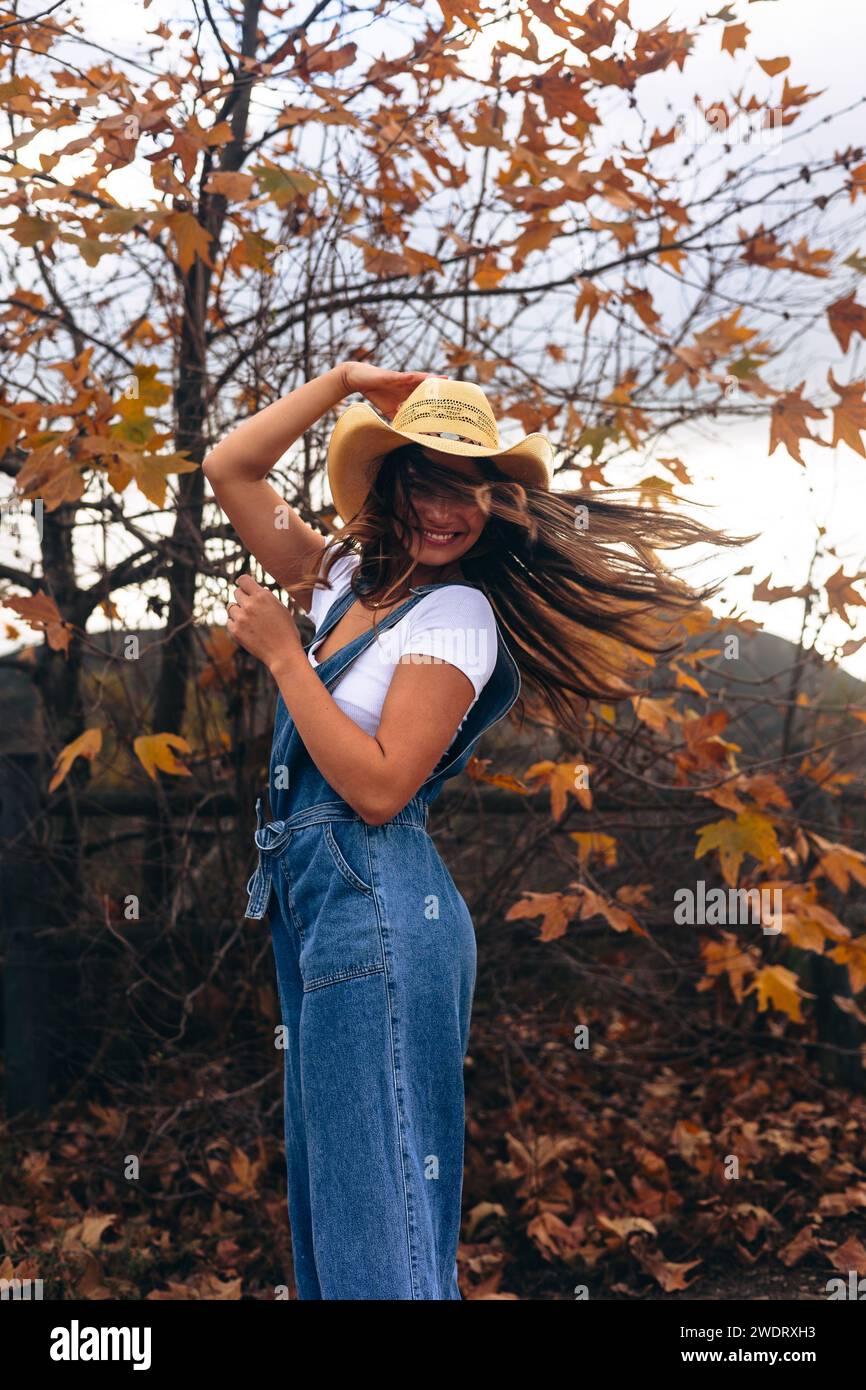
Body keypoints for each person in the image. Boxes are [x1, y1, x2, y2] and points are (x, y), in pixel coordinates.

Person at [203, 363, 742, 1300]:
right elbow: (229, 468)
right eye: (431, 481)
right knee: (340, 1200)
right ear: (392, 483)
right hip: (318, 910)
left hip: (379, 909)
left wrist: (286, 657)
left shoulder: (458, 615)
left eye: (477, 490)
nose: (452, 512)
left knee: (383, 1215)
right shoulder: (342, 580)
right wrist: (343, 383)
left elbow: (377, 790)